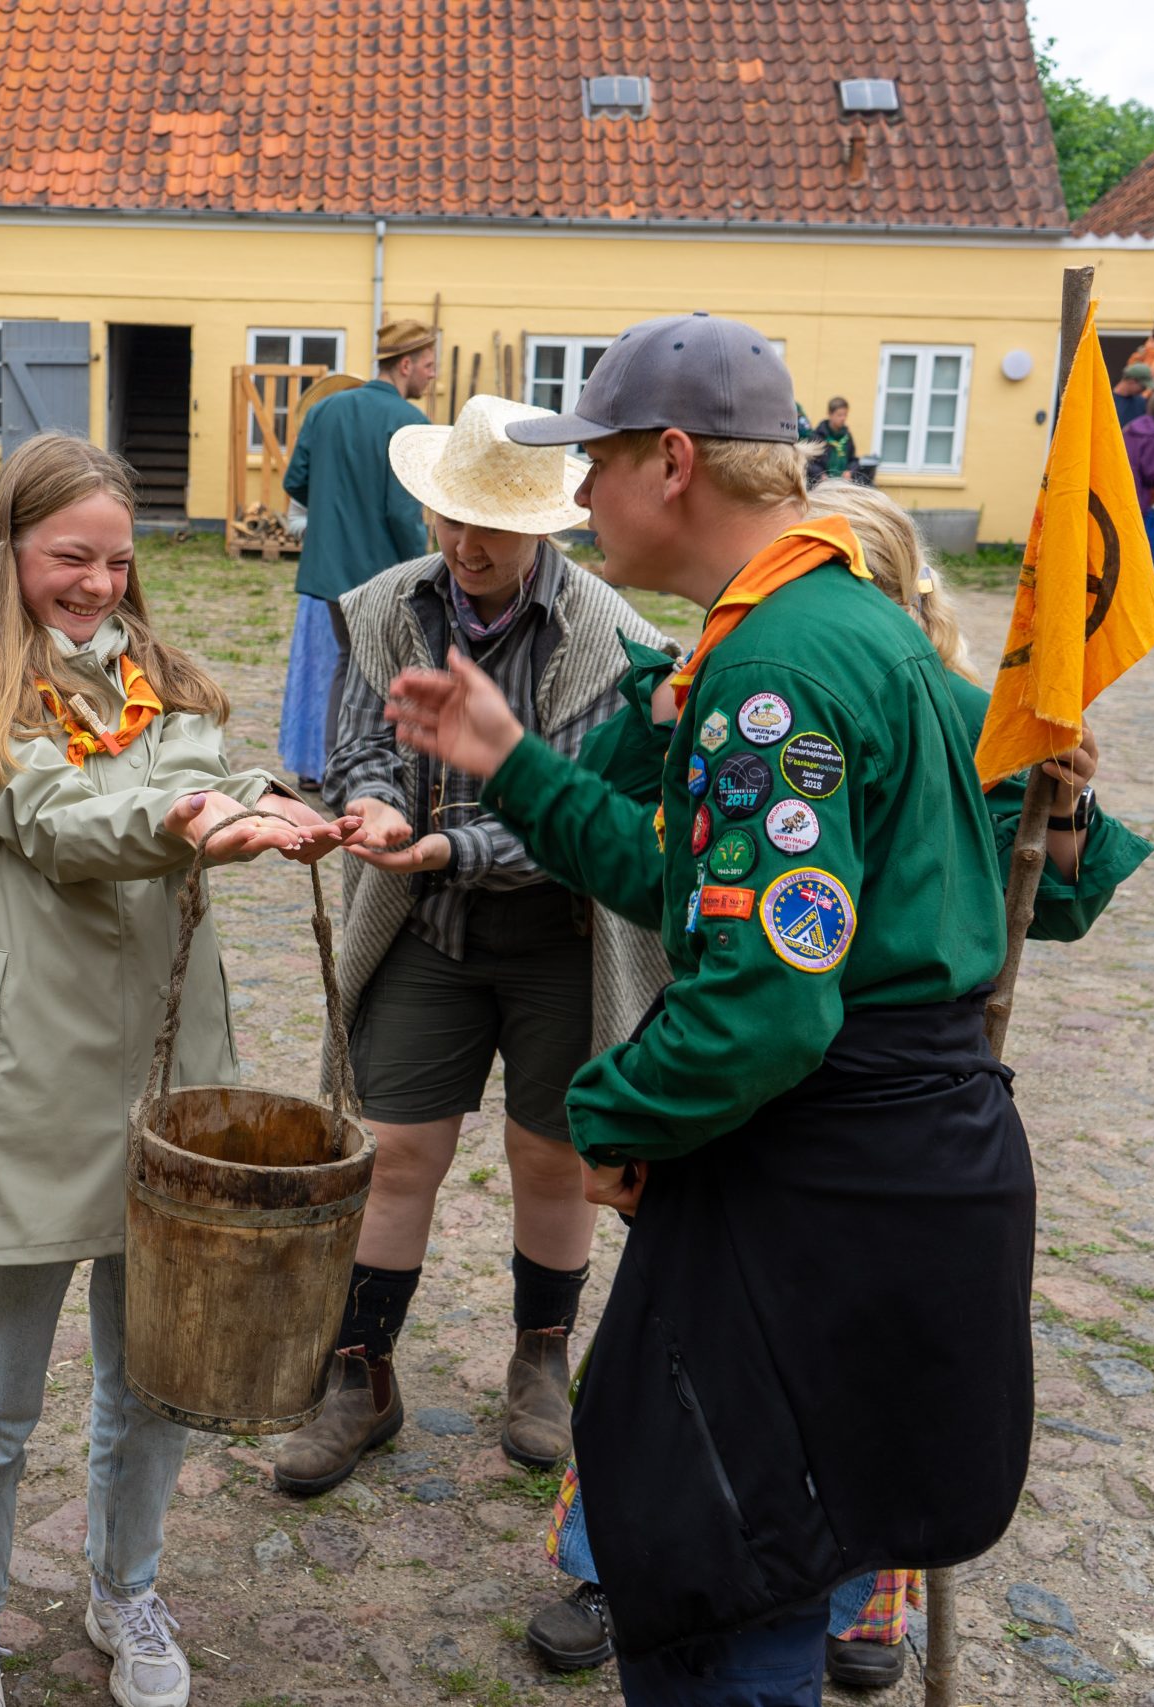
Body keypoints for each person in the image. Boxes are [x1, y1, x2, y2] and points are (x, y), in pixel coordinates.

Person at [386, 312, 1037, 1704]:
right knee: (765, 1545)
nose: (579, 501)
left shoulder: (777, 669)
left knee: (722, 1573)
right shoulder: (832, 623)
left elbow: (763, 1008)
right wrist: (511, 760)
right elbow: (698, 886)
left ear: (671, 462)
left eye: (596, 466)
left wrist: (610, 1118)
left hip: (822, 1174)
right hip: (882, 1164)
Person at [522, 475, 1154, 1689]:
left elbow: (1049, 891)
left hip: (841, 1115)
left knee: (824, 1415)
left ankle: (858, 1598)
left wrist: (1064, 801)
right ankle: (623, 1562)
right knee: (715, 1411)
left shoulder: (904, 695)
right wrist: (646, 721)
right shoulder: (726, 674)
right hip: (759, 1100)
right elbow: (621, 835)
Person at [0, 434, 359, 1707]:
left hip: (167, 1079)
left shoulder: (173, 681)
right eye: (68, 558)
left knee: (156, 1375)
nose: (97, 584)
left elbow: (216, 769)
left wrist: (269, 800)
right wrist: (184, 817)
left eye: (115, 559)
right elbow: (56, 821)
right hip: (20, 1078)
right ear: (8, 552)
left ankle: (124, 1585)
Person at [270, 396, 668, 1499]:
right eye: (449, 516)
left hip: (562, 932)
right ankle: (362, 1374)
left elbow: (574, 814)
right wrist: (374, 810)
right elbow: (352, 741)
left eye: (491, 524)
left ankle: (541, 1356)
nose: (465, 545)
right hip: (424, 929)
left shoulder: (612, 637)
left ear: (546, 523)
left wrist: (441, 843)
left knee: (551, 1155)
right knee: (393, 1151)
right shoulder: (386, 605)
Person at [278, 319, 436, 790]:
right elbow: (402, 512)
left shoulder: (325, 411)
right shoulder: (412, 424)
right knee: (388, 672)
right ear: (404, 364)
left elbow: (295, 484)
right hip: (385, 575)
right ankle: (370, 775)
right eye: (428, 366)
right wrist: (427, 568)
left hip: (329, 572)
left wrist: (336, 504)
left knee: (349, 664)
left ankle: (332, 768)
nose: (432, 377)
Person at [808, 396, 856, 481]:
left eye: (845, 415)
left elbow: (853, 459)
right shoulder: (817, 437)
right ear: (830, 414)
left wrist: (850, 471)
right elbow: (809, 462)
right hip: (821, 485)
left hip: (843, 483)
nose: (843, 418)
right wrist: (820, 475)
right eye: (839, 415)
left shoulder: (847, 437)